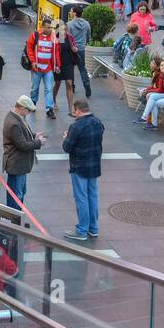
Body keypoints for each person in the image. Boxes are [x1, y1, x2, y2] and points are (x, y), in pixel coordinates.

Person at [61, 99, 104, 243]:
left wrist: (67, 137)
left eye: (75, 111)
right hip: (94, 165)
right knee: (93, 196)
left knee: (81, 198)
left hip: (79, 166)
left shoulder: (76, 126)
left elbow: (67, 147)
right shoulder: (98, 123)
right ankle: (94, 228)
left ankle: (81, 230)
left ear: (78, 110)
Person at [1, 95, 45, 210]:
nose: (29, 113)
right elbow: (22, 145)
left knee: (19, 193)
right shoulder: (14, 123)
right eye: (28, 111)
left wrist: (34, 135)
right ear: (22, 108)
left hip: (20, 165)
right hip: (17, 164)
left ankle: (16, 219)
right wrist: (39, 143)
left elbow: (23, 134)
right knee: (16, 196)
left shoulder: (16, 117)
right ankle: (14, 222)